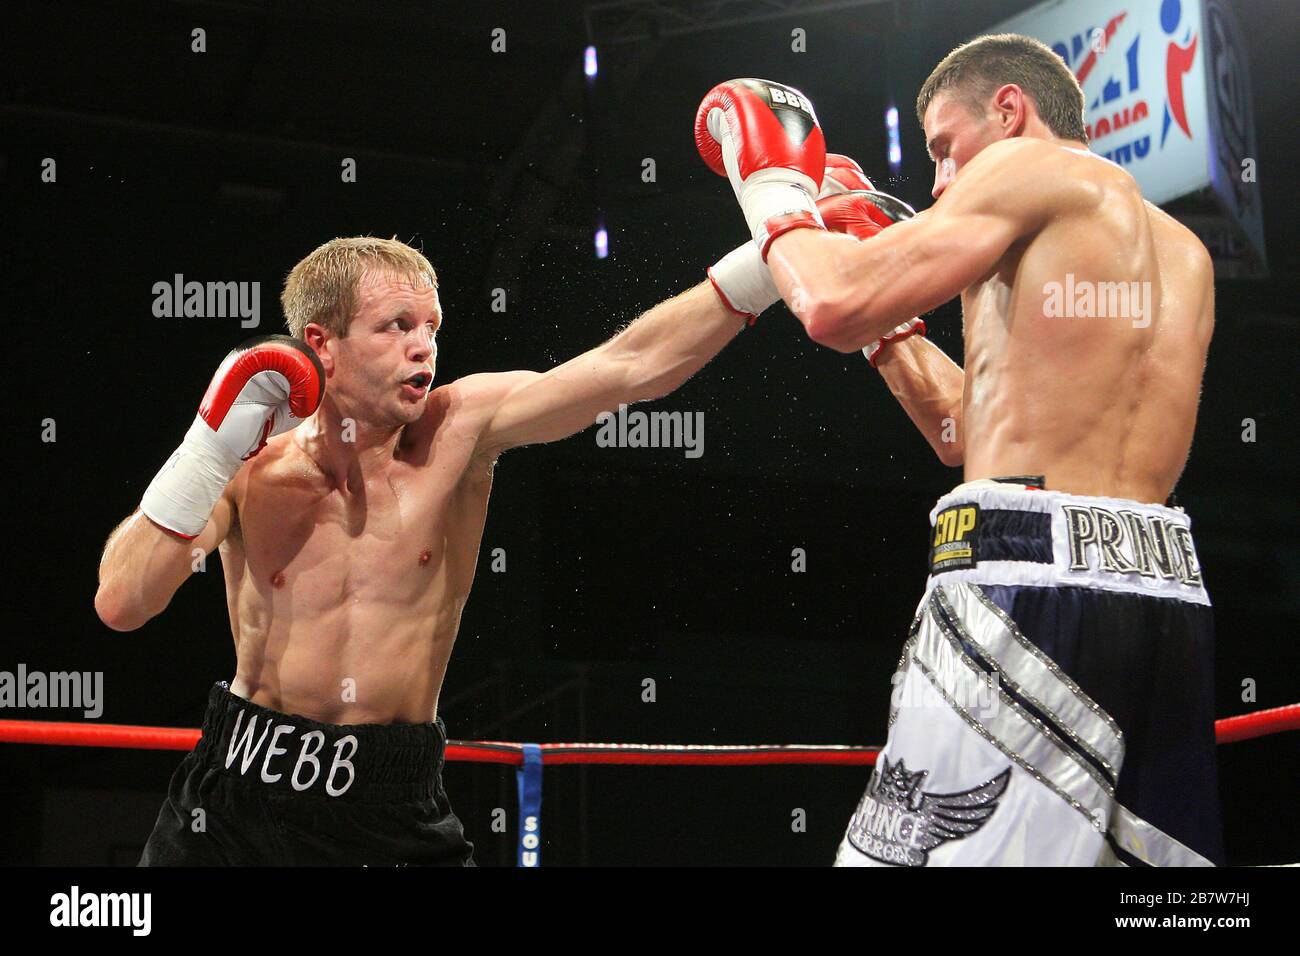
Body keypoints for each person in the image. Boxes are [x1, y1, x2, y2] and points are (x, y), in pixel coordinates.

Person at [696, 34, 1221, 866]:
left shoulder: (1029, 171)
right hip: (1163, 598)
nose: (940, 182)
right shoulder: (1181, 250)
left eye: (946, 148)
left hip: (1024, 583)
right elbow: (963, 435)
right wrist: (890, 334)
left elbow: (829, 303)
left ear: (1009, 111)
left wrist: (775, 186)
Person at [95, 230, 776, 865]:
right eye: (396, 327)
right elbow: (124, 603)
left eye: (431, 328)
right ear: (320, 343)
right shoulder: (247, 464)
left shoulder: (462, 430)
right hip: (234, 796)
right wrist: (205, 447)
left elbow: (630, 367)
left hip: (391, 803)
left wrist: (768, 261)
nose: (424, 347)